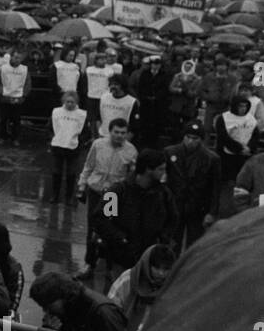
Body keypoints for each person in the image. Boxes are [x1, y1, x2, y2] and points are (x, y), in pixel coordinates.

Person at [92, 148, 177, 288]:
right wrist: (121, 238)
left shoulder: (163, 194)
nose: (164, 173)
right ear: (148, 170)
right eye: (161, 169)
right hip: (121, 257)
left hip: (149, 259)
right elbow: (101, 219)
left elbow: (173, 218)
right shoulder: (118, 191)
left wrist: (163, 239)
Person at [74, 118, 137, 283]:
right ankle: (89, 263)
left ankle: (110, 266)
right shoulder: (98, 145)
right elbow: (88, 166)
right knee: (92, 228)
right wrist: (81, 186)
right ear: (110, 131)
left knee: (109, 229)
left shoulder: (131, 151)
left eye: (123, 133)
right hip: (96, 191)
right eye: (116, 132)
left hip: (112, 196)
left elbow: (132, 177)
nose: (119, 136)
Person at [29, 271, 130, 331]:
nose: (46, 311)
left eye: (48, 306)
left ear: (61, 297)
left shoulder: (101, 311)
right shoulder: (65, 311)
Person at [164, 120, 219, 249]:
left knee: (194, 245)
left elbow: (215, 187)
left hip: (198, 207)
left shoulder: (211, 158)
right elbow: (164, 180)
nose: (190, 141)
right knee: (171, 242)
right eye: (188, 137)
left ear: (200, 139)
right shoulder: (170, 152)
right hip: (174, 205)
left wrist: (212, 212)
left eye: (195, 138)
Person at [107, 244, 176, 331]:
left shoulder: (172, 286)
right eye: (157, 268)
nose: (161, 273)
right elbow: (111, 312)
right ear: (147, 264)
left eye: (166, 269)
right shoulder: (128, 280)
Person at [49, 90, 87, 202]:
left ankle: (69, 197)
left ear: (76, 102)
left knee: (71, 173)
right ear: (63, 101)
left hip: (73, 148)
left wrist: (80, 142)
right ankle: (55, 195)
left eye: (72, 102)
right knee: (57, 172)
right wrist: (52, 138)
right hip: (58, 146)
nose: (70, 104)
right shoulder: (56, 112)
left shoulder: (82, 115)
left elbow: (85, 132)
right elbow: (50, 127)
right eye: (68, 102)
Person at [215, 94, 258, 184]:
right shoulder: (224, 118)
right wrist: (239, 148)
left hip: (246, 153)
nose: (243, 108)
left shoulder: (251, 119)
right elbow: (223, 137)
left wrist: (250, 148)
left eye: (245, 106)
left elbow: (255, 135)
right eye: (241, 106)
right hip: (228, 154)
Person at [0, 50, 30, 144]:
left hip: (18, 98)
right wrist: (2, 94)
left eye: (19, 58)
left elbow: (27, 84)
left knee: (16, 120)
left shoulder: (24, 69)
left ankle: (15, 138)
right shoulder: (4, 68)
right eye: (15, 57)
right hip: (5, 97)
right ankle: (3, 136)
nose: (17, 59)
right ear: (11, 57)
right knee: (3, 119)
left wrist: (23, 96)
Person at [98, 74, 139, 139]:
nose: (113, 86)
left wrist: (126, 141)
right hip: (103, 136)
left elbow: (134, 126)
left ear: (122, 86)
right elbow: (98, 117)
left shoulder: (131, 102)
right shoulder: (104, 97)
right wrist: (100, 133)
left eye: (116, 84)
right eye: (111, 84)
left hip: (120, 138)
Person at [83, 52, 114, 139]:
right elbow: (84, 83)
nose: (103, 61)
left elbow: (111, 84)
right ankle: (93, 136)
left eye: (104, 59)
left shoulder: (110, 71)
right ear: (96, 60)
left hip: (104, 98)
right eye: (100, 59)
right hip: (91, 97)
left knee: (102, 118)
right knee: (92, 118)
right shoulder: (89, 69)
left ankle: (101, 135)